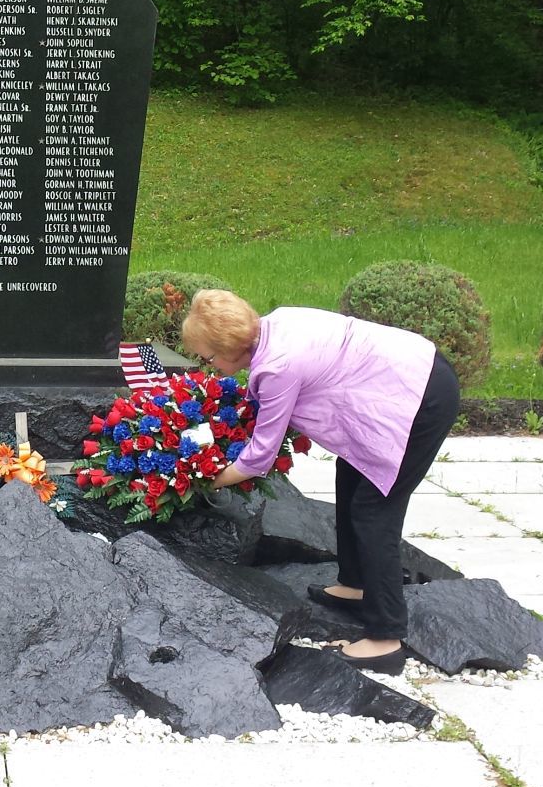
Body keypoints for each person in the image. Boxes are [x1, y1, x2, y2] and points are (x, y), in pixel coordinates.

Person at [181, 289, 461, 675]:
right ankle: (357, 584)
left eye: (208, 356)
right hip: (399, 381)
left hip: (419, 396)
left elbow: (259, 457)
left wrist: (200, 481)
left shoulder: (278, 365)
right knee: (351, 474)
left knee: (373, 512)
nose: (206, 364)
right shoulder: (275, 322)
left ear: (230, 347)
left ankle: (386, 637)